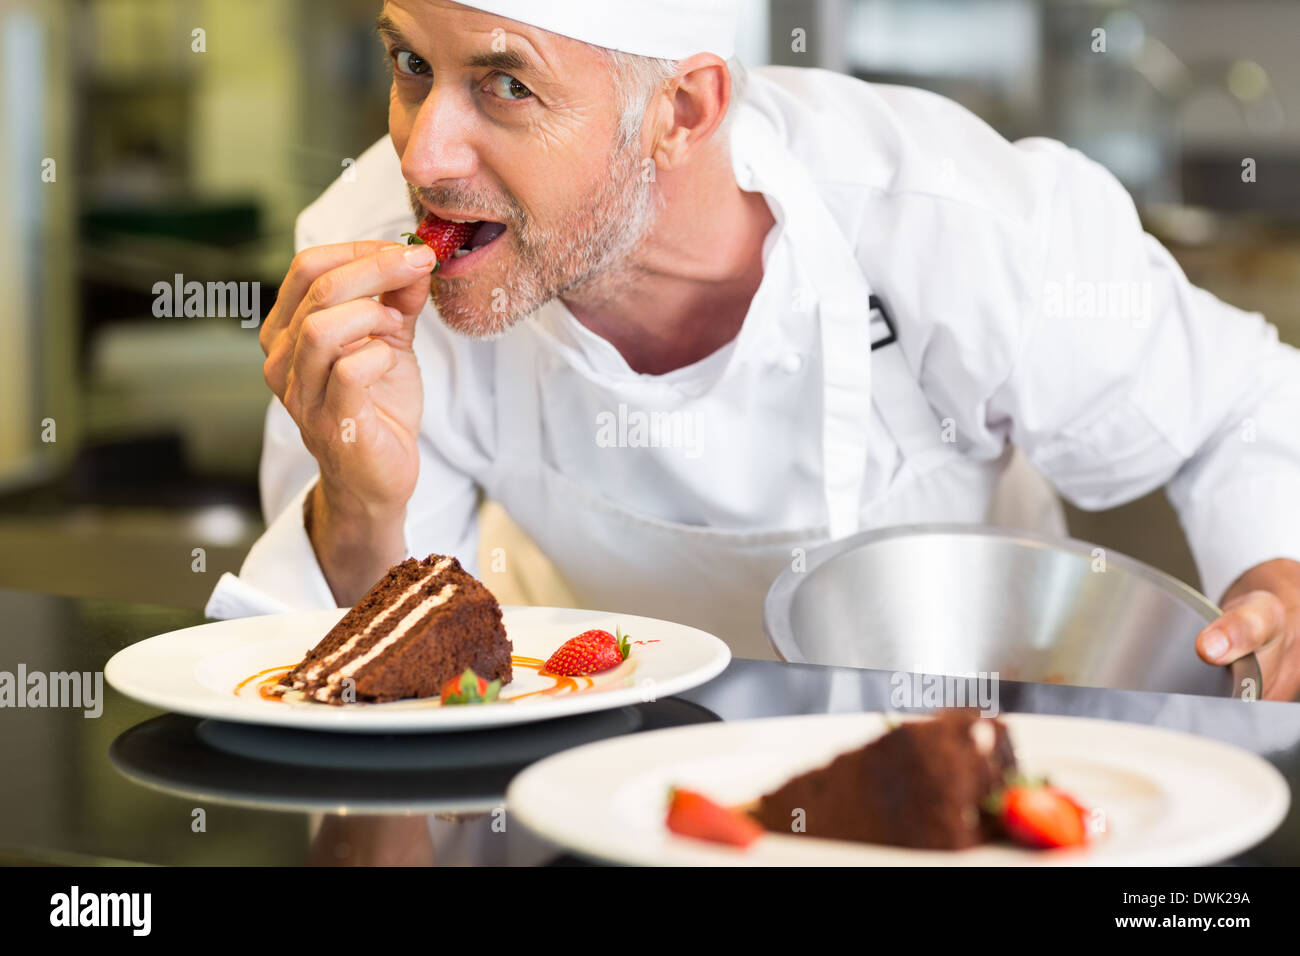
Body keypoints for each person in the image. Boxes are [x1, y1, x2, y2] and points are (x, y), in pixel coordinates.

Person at [206, 0, 1300, 699]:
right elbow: (366, 679)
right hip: (576, 776)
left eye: (505, 83)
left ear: (682, 108)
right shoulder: (365, 264)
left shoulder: (954, 220)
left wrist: (1279, 575)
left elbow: (1239, 407)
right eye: (408, 62)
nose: (422, 149)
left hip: (965, 783)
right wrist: (357, 502)